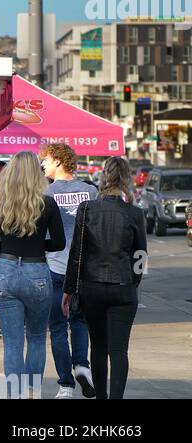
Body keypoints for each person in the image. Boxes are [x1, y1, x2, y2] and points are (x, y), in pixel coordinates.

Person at [0, 151, 65, 398]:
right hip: (36, 271)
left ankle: (13, 394)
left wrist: (7, 248)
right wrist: (37, 245)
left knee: (12, 342)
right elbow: (59, 242)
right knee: (38, 337)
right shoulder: (47, 203)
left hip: (6, 270)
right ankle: (32, 392)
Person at [63, 157, 146, 399]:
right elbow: (141, 255)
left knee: (98, 347)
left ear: (104, 176)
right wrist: (133, 282)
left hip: (92, 286)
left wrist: (69, 289)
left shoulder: (87, 209)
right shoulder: (134, 213)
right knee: (119, 349)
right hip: (123, 286)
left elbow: (76, 253)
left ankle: (101, 396)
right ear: (126, 178)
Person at [41, 143, 98, 399]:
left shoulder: (47, 193)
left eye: (46, 160)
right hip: (85, 269)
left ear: (57, 161)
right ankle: (82, 366)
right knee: (80, 320)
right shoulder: (90, 191)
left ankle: (66, 383)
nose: (43, 165)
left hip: (55, 266)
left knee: (57, 326)